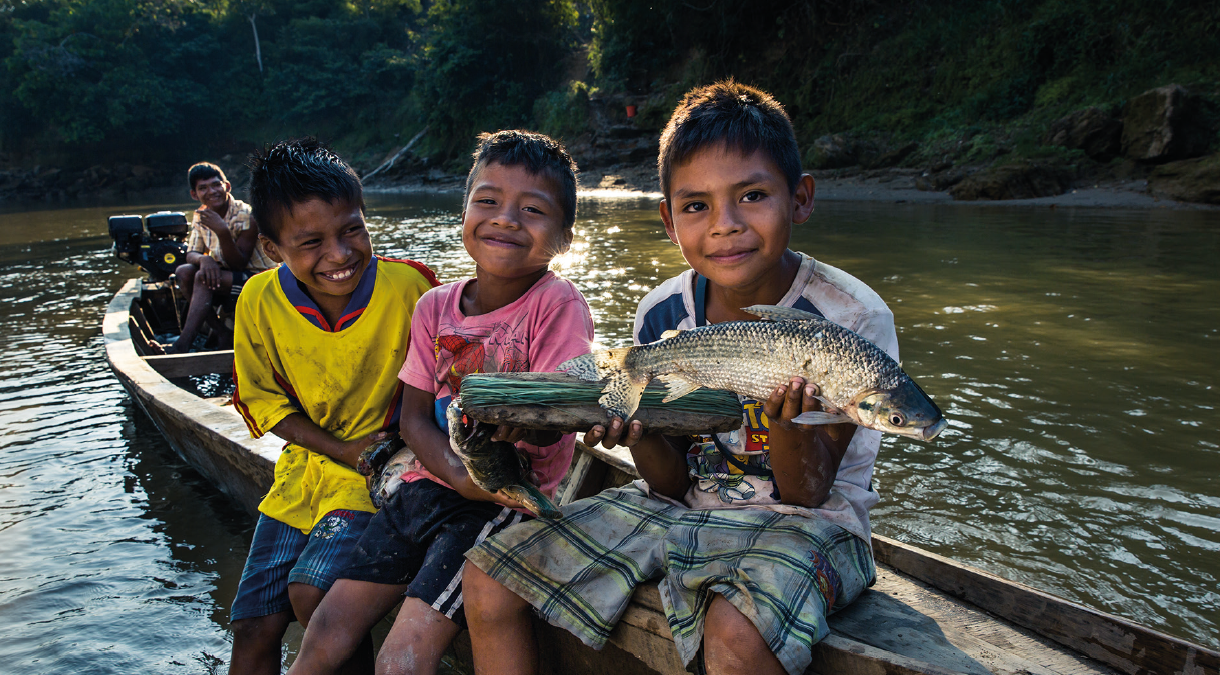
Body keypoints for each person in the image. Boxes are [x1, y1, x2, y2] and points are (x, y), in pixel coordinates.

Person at [462, 80, 899, 675]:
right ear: (669, 221)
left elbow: (808, 494)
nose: (725, 225)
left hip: (814, 522)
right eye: (696, 206)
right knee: (488, 580)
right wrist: (639, 435)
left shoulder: (850, 319)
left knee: (736, 632)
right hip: (684, 504)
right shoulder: (663, 313)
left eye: (751, 196)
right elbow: (670, 484)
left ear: (799, 199)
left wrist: (786, 423)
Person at [287, 130, 594, 675]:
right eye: (488, 201)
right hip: (424, 489)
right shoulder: (434, 306)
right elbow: (412, 419)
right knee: (325, 631)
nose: (505, 219)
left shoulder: (557, 303)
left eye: (532, 209)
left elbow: (558, 418)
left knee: (400, 659)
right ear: (464, 212)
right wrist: (454, 472)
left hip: (496, 504)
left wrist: (509, 437)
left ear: (565, 239)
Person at [228, 138, 440, 675]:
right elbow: (262, 401)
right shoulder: (258, 300)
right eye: (311, 243)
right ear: (272, 249)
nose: (340, 255)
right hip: (305, 471)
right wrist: (341, 448)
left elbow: (448, 380)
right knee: (252, 627)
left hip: (383, 470)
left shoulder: (409, 287)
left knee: (313, 593)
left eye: (352, 230)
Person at [166, 162, 277, 354]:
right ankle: (221, 332)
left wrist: (222, 231)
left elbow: (239, 263)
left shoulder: (247, 215)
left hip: (260, 278)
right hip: (228, 278)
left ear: (227, 186)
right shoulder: (201, 215)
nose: (211, 191)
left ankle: (182, 344)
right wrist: (204, 259)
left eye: (216, 185)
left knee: (202, 278)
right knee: (183, 272)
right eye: (203, 188)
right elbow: (191, 253)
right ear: (194, 194)